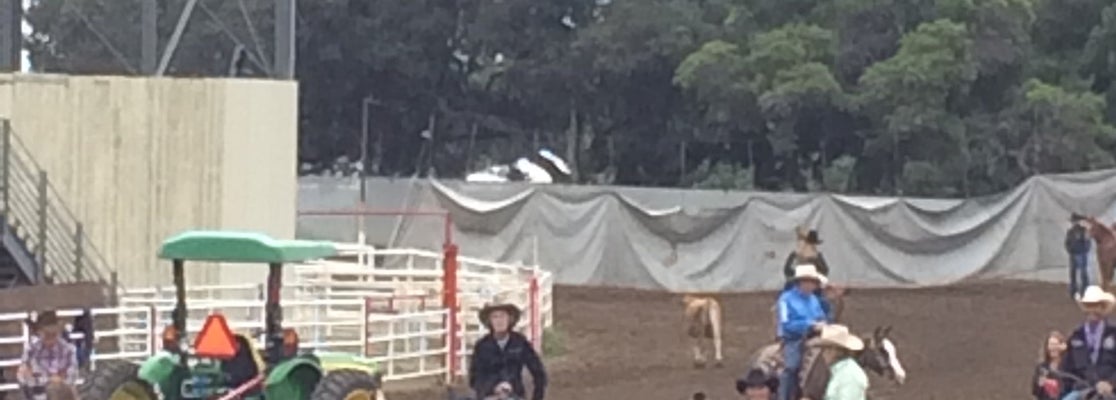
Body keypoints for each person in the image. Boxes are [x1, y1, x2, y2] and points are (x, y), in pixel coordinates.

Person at [468, 303, 547, 400]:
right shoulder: (482, 346)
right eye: (495, 317)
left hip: (515, 394)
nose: (499, 321)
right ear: (489, 321)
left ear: (510, 319)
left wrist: (537, 397)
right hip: (489, 396)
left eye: (502, 316)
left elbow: (538, 372)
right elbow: (474, 378)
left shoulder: (520, 342)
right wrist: (493, 387)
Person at [776, 264, 828, 400]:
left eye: (813, 282)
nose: (811, 286)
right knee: (791, 367)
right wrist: (810, 325)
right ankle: (785, 396)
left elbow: (821, 316)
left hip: (816, 338)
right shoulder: (785, 300)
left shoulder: (814, 299)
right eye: (808, 282)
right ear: (800, 282)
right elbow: (786, 324)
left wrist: (823, 323)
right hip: (794, 339)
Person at [1061, 286, 1116, 400]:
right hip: (1082, 389)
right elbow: (1067, 367)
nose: (1093, 310)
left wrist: (1111, 383)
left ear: (1102, 307)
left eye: (1096, 306)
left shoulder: (1113, 333)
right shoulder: (1076, 336)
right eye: (1089, 306)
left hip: (1111, 390)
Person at [17, 310, 79, 399]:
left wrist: (39, 378)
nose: (50, 338)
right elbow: (22, 377)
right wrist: (54, 379)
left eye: (53, 334)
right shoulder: (31, 351)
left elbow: (72, 377)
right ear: (39, 332)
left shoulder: (68, 350)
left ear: (58, 332)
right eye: (47, 334)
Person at [782, 228, 833, 321]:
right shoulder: (815, 255)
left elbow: (787, 270)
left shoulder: (796, 254)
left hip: (796, 283)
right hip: (804, 284)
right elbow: (825, 270)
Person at [808, 324, 868, 400]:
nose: (823, 354)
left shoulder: (849, 375)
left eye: (824, 349)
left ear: (834, 350)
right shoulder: (839, 371)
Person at [1032, 331, 1068, 400]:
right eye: (1051, 345)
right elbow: (1035, 391)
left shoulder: (1067, 366)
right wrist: (1040, 383)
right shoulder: (1042, 367)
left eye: (1055, 344)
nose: (1053, 348)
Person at [1067, 213, 1093, 300]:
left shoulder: (1082, 230)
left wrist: (1084, 250)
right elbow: (1067, 242)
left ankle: (1084, 291)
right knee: (1074, 273)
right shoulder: (1071, 231)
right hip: (1074, 253)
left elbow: (1087, 242)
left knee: (1082, 273)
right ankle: (1074, 291)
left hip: (1079, 253)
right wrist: (1070, 250)